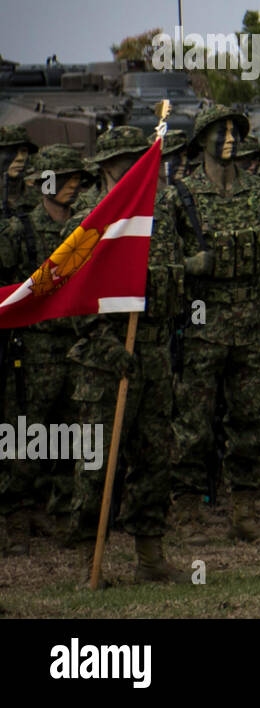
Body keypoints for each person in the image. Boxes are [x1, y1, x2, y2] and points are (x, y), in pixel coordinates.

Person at [66, 126, 189, 584]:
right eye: (127, 166)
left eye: (144, 163)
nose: (139, 173)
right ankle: (89, 560)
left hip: (154, 352)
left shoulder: (163, 210)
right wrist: (106, 345)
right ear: (106, 168)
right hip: (107, 360)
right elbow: (71, 293)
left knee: (156, 457)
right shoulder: (89, 215)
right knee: (97, 461)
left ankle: (150, 556)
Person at [171, 106, 260, 544]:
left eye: (235, 131)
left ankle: (243, 508)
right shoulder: (180, 196)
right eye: (219, 130)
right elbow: (161, 263)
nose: (229, 137)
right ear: (200, 139)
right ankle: (187, 511)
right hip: (202, 322)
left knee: (251, 421)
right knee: (193, 422)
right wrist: (189, 266)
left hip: (251, 320)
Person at [0, 145, 95, 553]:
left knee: (71, 433)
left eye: (77, 177)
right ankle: (16, 515)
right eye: (63, 177)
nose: (72, 185)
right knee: (25, 433)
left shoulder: (86, 231)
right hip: (34, 351)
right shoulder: (19, 231)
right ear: (43, 183)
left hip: (75, 347)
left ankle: (58, 511)